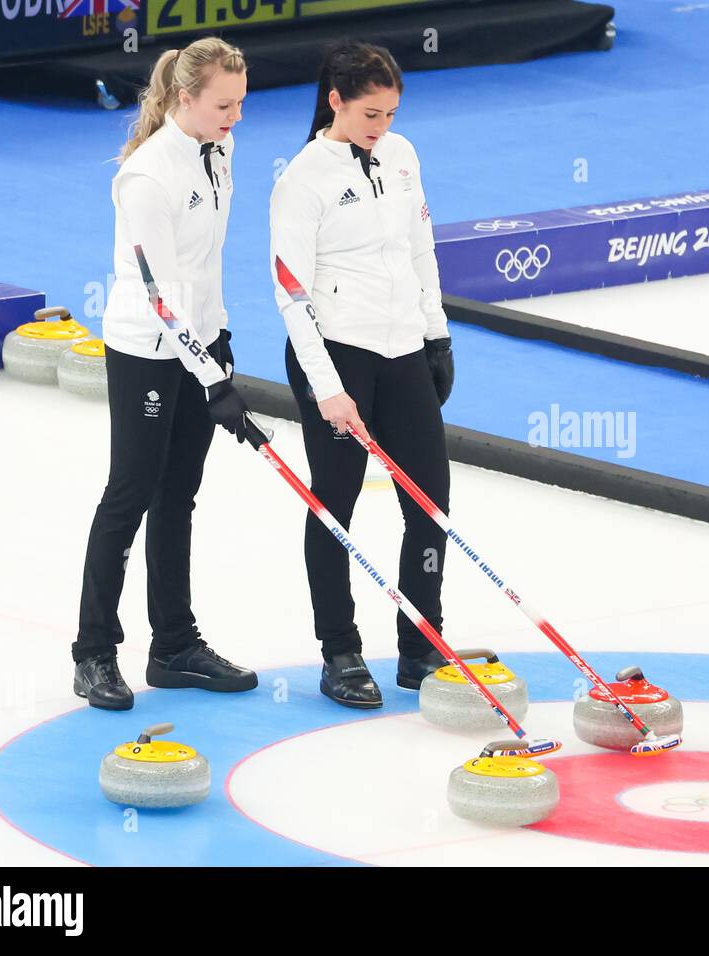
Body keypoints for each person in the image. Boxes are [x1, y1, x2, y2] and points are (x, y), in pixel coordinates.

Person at [72, 37, 258, 710]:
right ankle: (93, 652)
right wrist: (212, 378)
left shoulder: (220, 146)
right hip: (147, 351)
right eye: (222, 105)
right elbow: (160, 295)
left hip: (199, 344)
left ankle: (174, 645)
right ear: (185, 98)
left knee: (178, 495)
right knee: (132, 493)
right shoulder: (149, 177)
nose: (235, 117)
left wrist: (221, 340)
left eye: (240, 103)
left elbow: (205, 264)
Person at [270, 40, 455, 709]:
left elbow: (419, 249)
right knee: (336, 505)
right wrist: (327, 387)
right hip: (337, 354)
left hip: (402, 347)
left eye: (391, 112)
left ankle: (420, 643)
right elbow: (291, 294)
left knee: (429, 502)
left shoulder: (402, 156)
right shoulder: (302, 179)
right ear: (336, 101)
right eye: (371, 112)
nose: (382, 125)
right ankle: (340, 650)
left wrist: (436, 337)